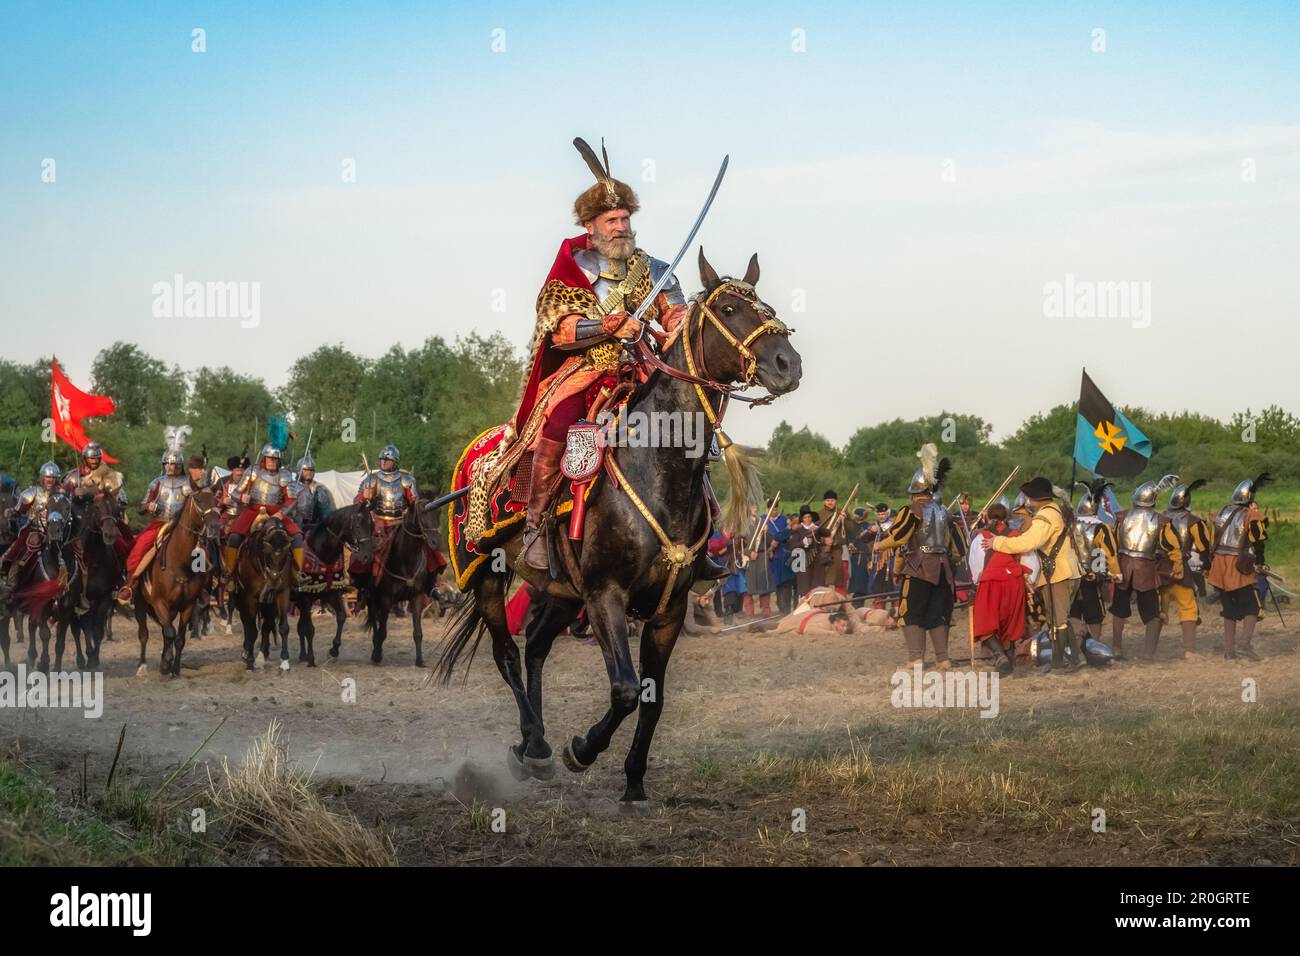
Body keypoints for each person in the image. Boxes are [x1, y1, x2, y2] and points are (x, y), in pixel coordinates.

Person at [512, 137, 692, 578]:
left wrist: (684, 323)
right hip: (586, 372)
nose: (621, 227)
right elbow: (561, 330)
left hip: (641, 370)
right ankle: (536, 525)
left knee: (689, 428)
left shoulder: (654, 269)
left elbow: (675, 315)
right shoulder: (573, 268)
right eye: (612, 219)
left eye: (626, 218)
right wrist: (610, 326)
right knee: (561, 420)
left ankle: (694, 531)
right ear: (590, 226)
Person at [872, 445, 967, 670]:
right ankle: (943, 659)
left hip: (919, 569)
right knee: (938, 613)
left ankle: (916, 659)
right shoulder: (944, 512)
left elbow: (899, 536)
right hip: (943, 570)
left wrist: (879, 545)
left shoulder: (911, 510)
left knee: (911, 611)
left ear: (915, 492)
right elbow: (958, 548)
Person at [985, 476, 1084, 674]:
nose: (1028, 501)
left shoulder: (1045, 516)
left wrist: (997, 543)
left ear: (1036, 498)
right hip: (1066, 570)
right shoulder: (1056, 510)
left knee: (1058, 620)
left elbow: (1028, 543)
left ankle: (1058, 664)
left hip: (1059, 572)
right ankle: (1075, 658)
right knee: (1060, 617)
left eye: (1030, 497)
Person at [1109, 479, 1184, 661]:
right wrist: (1178, 566)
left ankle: (1117, 648)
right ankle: (1148, 653)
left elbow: (1112, 542)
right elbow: (1173, 546)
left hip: (1123, 566)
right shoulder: (1161, 521)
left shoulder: (1121, 516)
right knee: (1151, 612)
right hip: (1145, 568)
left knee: (1119, 609)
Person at [1207, 474, 1270, 661]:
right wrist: (1259, 561)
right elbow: (1259, 541)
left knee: (1229, 608)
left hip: (1219, 563)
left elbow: (1214, 539)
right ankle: (1244, 645)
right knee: (1251, 606)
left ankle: (1229, 650)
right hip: (1238, 566)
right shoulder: (1251, 515)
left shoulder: (1223, 512)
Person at [122, 446, 194, 596]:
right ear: (163, 465)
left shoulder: (188, 484)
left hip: (182, 526)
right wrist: (148, 505)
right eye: (168, 463)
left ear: (181, 465)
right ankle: (131, 584)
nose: (171, 467)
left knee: (202, 551)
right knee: (139, 547)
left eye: (174, 464)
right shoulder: (156, 483)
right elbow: (141, 508)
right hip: (159, 524)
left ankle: (205, 586)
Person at [967, 503, 1029, 676]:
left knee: (985, 622)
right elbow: (1029, 562)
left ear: (987, 517)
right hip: (1014, 583)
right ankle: (1009, 663)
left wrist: (978, 582)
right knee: (1010, 622)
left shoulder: (981, 538)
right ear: (1006, 518)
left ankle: (1000, 655)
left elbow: (976, 568)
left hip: (990, 582)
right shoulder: (1017, 536)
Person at [224, 444, 304, 575]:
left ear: (279, 461)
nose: (272, 461)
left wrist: (281, 514)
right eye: (269, 458)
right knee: (234, 537)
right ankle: (229, 573)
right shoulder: (253, 471)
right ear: (264, 458)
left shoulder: (284, 475)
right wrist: (242, 497)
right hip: (252, 511)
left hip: (276, 513)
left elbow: (292, 500)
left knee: (297, 538)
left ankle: (297, 574)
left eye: (275, 459)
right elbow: (235, 493)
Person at [1161, 479, 1213, 658]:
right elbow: (1204, 547)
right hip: (1180, 567)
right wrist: (1208, 566)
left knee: (1159, 610)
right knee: (1188, 608)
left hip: (1159, 568)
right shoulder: (1194, 522)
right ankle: (1189, 651)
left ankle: (1149, 651)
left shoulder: (1159, 517)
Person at [1067, 478, 1121, 648]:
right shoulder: (1101, 527)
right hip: (1092, 576)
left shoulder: (1069, 525)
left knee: (1073, 610)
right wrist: (1116, 573)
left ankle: (1075, 644)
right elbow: (1110, 552)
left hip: (1071, 575)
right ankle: (1094, 645)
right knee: (1095, 614)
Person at [0, 461, 69, 579]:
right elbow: (19, 511)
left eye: (53, 477)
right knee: (15, 552)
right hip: (34, 529)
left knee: (77, 549)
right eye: (47, 477)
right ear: (42, 478)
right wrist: (12, 512)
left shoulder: (63, 495)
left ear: (57, 479)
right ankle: (12, 582)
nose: (50, 480)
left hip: (59, 531)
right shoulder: (33, 492)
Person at [791, 505, 820, 599]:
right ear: (802, 519)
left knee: (816, 587)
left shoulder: (817, 528)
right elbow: (792, 546)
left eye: (809, 517)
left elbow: (825, 537)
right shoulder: (798, 530)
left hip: (816, 560)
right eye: (805, 517)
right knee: (804, 588)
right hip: (802, 560)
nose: (807, 519)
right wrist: (803, 542)